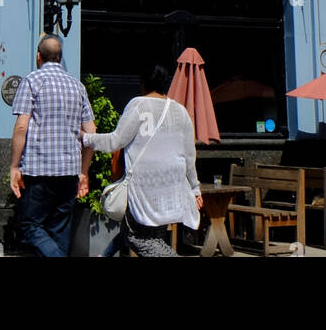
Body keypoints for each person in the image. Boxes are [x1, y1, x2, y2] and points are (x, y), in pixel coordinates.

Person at [82, 61, 203, 257]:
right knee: (140, 233)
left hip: (144, 189)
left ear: (144, 84)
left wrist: (86, 138)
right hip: (170, 189)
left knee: (139, 238)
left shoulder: (138, 105)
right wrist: (195, 188)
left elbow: (115, 141)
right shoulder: (181, 112)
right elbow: (190, 155)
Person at [10, 34, 96, 257]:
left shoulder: (31, 81)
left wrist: (14, 167)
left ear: (39, 56)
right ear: (60, 57)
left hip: (39, 170)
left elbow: (21, 127)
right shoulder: (78, 86)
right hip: (69, 172)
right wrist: (84, 172)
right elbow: (91, 133)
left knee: (29, 225)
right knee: (59, 231)